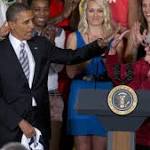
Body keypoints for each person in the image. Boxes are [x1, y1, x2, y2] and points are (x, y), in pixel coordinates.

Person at [0, 2, 112, 149]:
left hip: (40, 121)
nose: (31, 26)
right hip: (11, 126)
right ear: (12, 25)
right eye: (26, 22)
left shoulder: (40, 44)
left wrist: (97, 46)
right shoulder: (1, 51)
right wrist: (19, 121)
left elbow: (71, 56)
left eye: (31, 21)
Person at [66, 0, 113, 150]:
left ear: (105, 13)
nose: (95, 15)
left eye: (99, 10)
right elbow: (70, 73)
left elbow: (121, 74)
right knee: (82, 147)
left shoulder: (114, 37)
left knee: (101, 146)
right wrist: (91, 53)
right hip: (80, 91)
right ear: (85, 13)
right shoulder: (74, 37)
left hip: (105, 93)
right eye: (91, 10)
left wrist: (112, 57)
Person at [106, 0, 150, 148]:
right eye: (144, 5)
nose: (147, 10)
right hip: (139, 122)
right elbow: (122, 75)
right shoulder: (139, 31)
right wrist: (133, 45)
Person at [30, 0, 65, 150]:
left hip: (52, 94)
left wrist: (51, 46)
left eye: (45, 9)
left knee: (52, 144)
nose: (42, 14)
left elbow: (58, 68)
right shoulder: (22, 32)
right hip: (28, 95)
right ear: (30, 11)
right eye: (37, 10)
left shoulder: (58, 33)